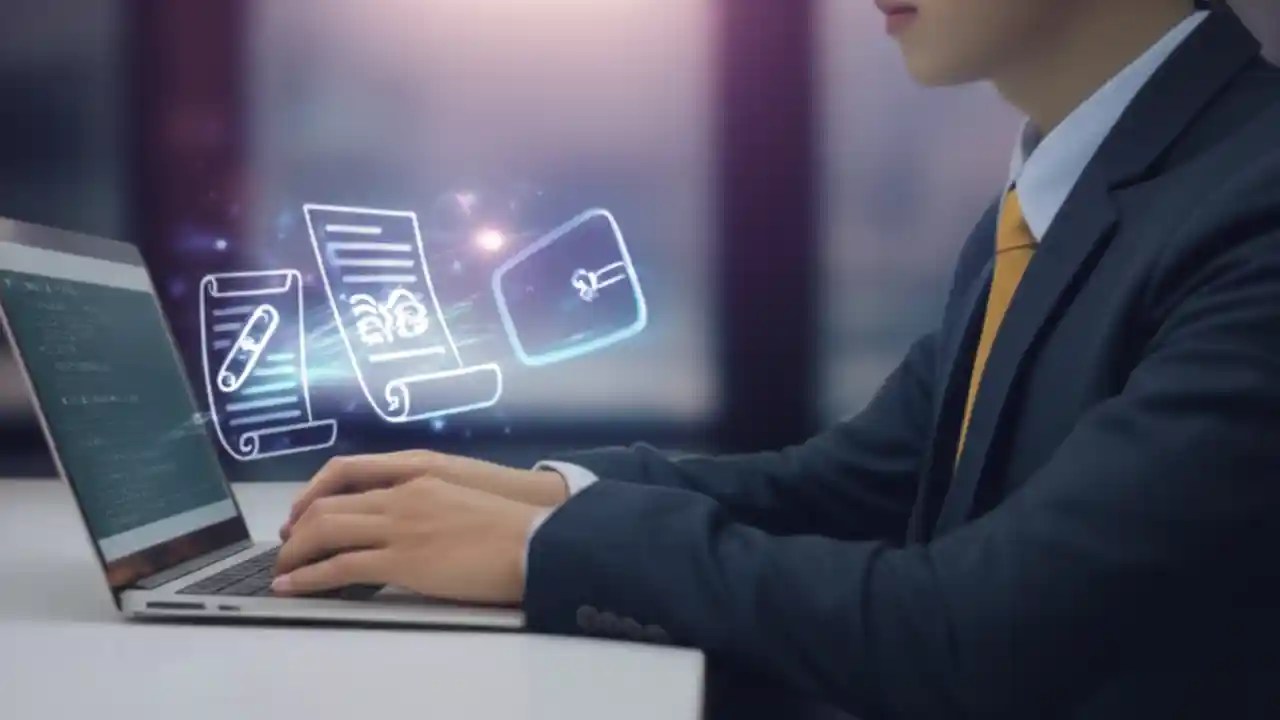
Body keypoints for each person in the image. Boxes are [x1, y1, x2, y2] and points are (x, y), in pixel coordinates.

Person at [273, 0, 1280, 716]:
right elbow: (847, 486)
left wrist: (551, 550)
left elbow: (984, 629)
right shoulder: (1058, 196)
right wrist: (540, 497)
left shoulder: (1251, 206)